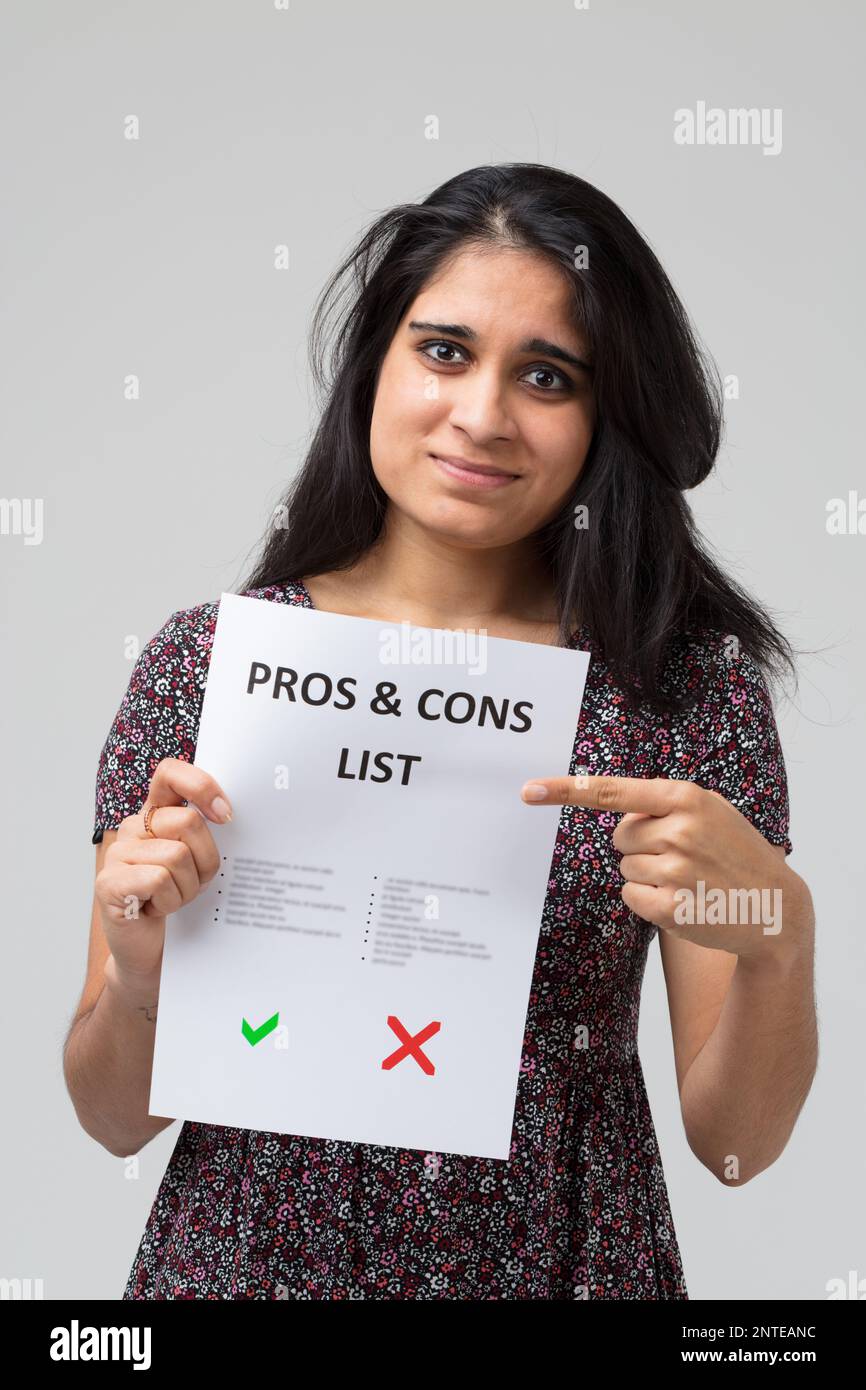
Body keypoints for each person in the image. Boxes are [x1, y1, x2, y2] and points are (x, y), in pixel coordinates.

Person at [64, 162, 817, 1300]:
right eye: (445, 351)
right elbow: (115, 1119)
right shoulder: (210, 667)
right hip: (248, 1269)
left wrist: (778, 937)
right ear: (377, 359)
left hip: (563, 1264)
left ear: (604, 414)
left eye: (547, 376)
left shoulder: (677, 692)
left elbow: (734, 1148)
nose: (482, 416)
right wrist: (137, 976)